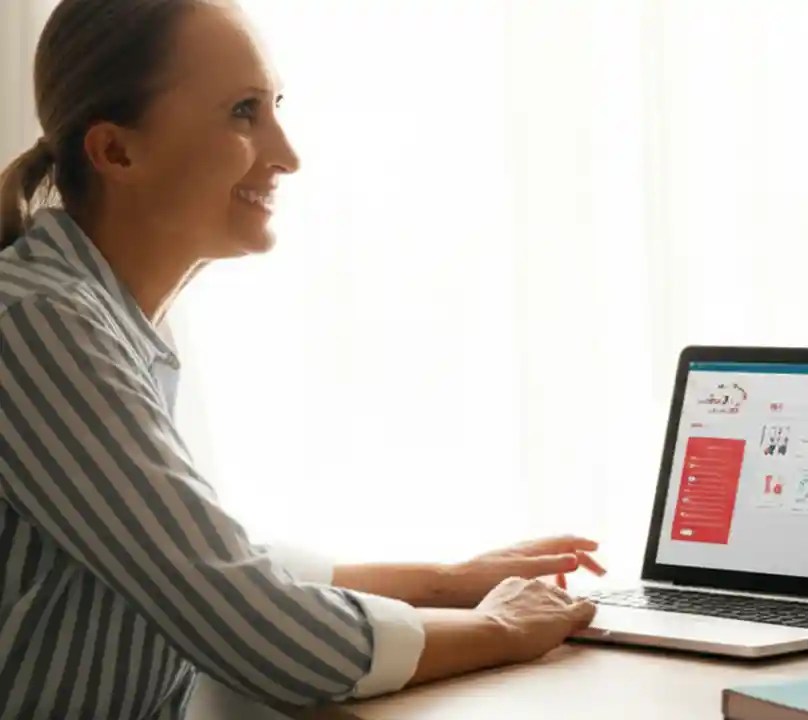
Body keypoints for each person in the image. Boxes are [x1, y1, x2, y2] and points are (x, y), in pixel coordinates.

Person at [0, 1, 603, 718]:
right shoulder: (39, 323)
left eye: (275, 106)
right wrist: (499, 628)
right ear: (116, 152)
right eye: (243, 112)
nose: (287, 153)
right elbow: (256, 628)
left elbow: (203, 557)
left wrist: (445, 581)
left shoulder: (93, 318)